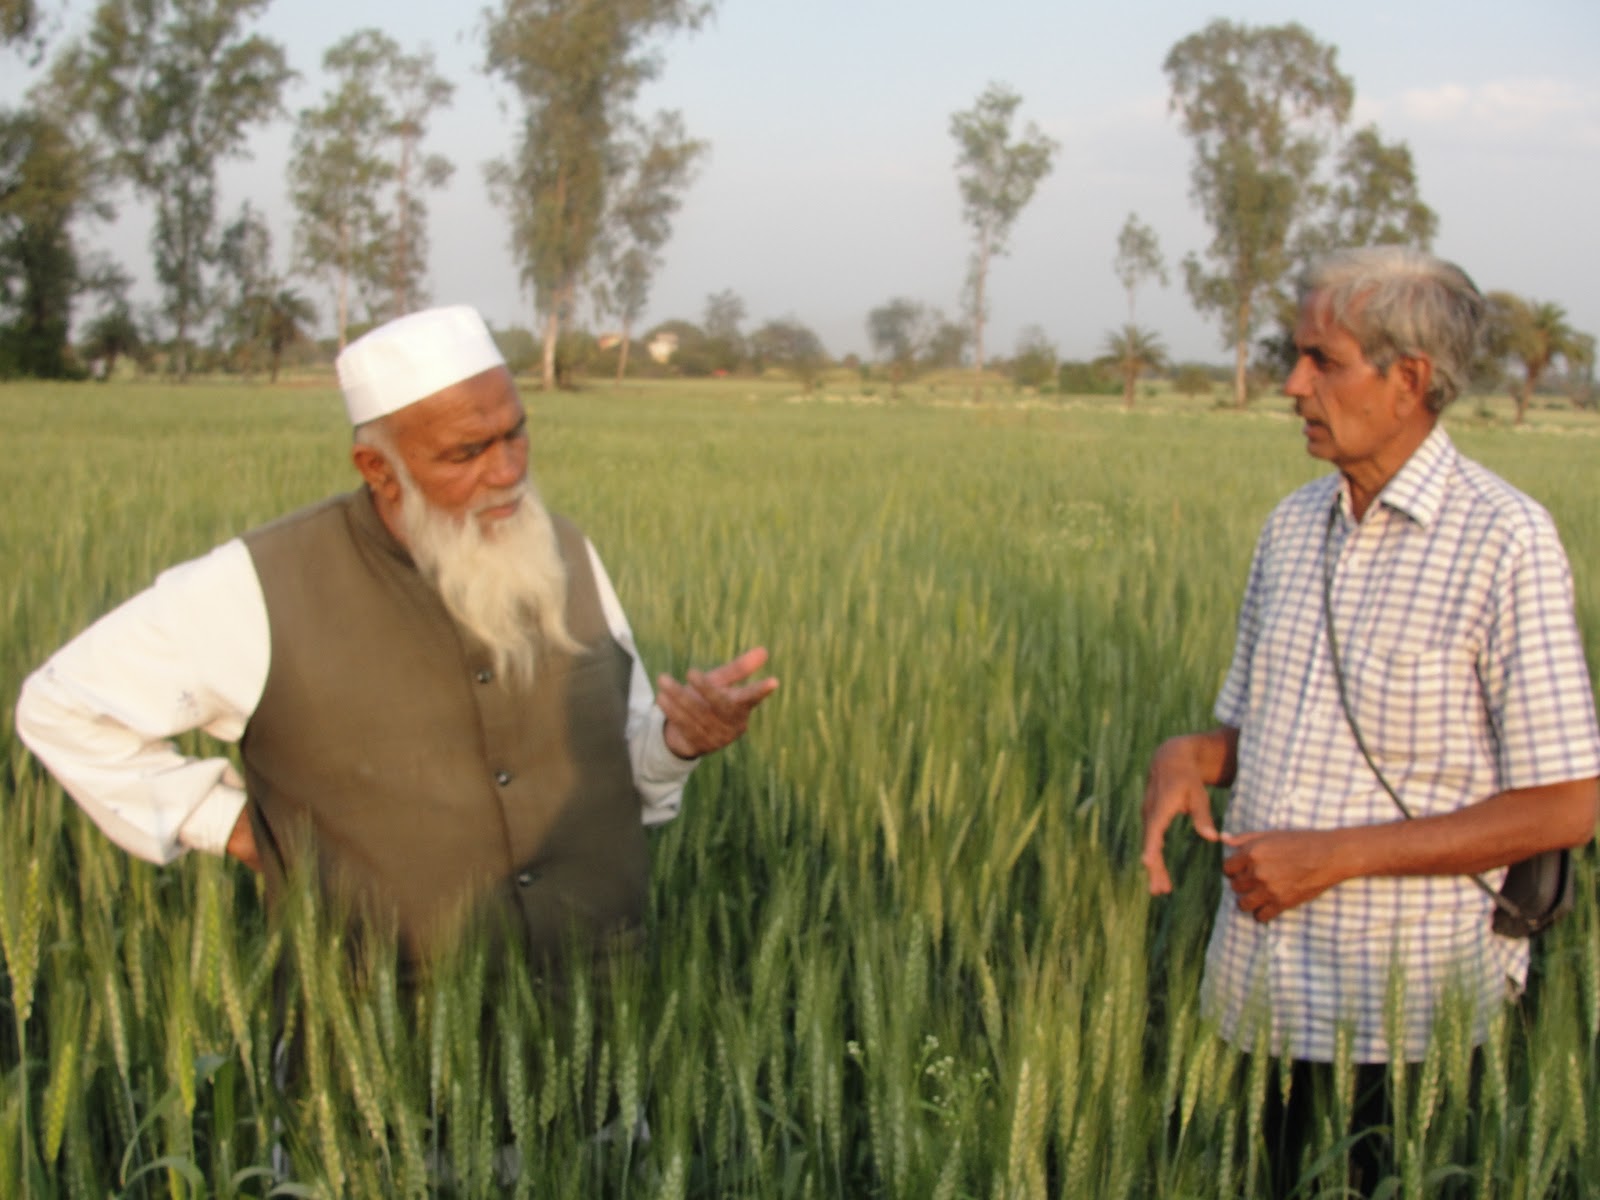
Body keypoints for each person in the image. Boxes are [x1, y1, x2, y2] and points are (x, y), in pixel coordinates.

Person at [15, 305, 778, 969]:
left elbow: (622, 778)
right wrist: (229, 825)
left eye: (516, 435)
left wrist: (677, 742)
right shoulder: (258, 586)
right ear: (378, 469)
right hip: (379, 1078)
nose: (508, 470)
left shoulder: (568, 553)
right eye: (467, 452)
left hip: (599, 1040)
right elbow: (60, 708)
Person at [1140, 247, 1600, 1192]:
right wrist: (1189, 753)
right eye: (1295, 356)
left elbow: (1566, 806)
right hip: (1258, 994)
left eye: (1322, 360)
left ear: (1410, 380)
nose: (1291, 383)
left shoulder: (1504, 539)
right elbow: (1252, 731)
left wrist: (1338, 856)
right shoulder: (1291, 525)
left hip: (1408, 1021)